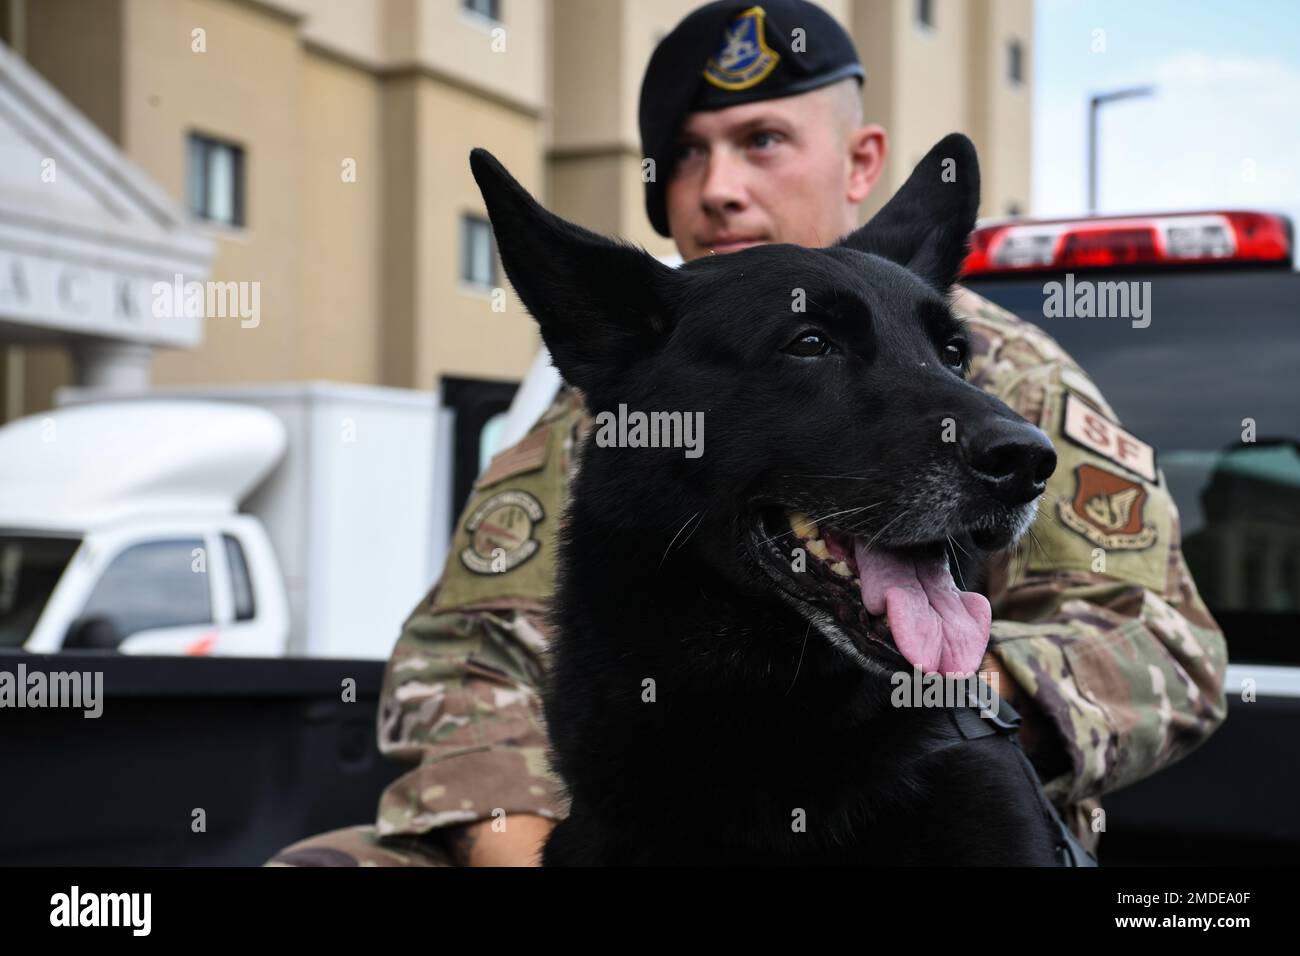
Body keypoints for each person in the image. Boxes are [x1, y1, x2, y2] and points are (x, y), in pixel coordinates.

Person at [268, 0, 1227, 868]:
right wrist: (514, 841)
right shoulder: (615, 401)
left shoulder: (995, 382)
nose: (719, 186)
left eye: (761, 140)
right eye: (686, 153)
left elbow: (1162, 644)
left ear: (860, 163)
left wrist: (946, 685)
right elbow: (467, 655)